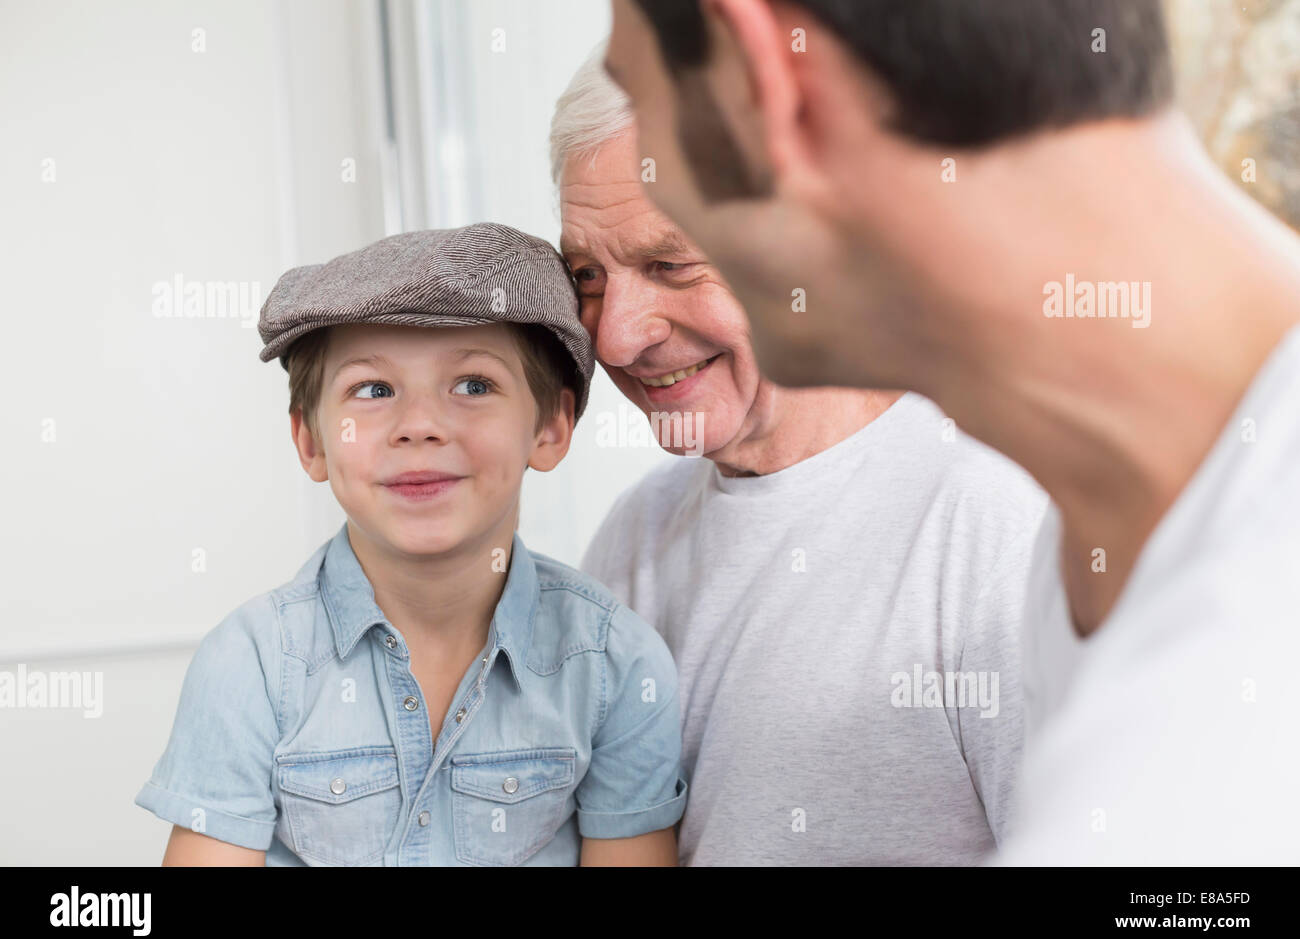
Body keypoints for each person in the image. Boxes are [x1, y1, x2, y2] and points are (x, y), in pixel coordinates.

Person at [600, 0, 1300, 862]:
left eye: (634, 94)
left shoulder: (1242, 660)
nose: (616, 337)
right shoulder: (1096, 536)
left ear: (764, 80)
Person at [552, 46, 1047, 865]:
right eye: (587, 275)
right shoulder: (632, 540)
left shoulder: (994, 525)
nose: (615, 334)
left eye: (670, 263)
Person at [134, 223, 687, 866]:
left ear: (551, 426)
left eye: (473, 385)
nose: (420, 426)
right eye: (373, 391)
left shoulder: (617, 665)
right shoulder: (250, 664)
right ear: (312, 442)